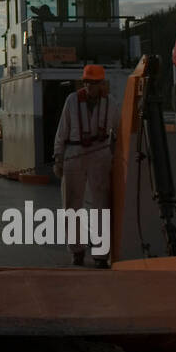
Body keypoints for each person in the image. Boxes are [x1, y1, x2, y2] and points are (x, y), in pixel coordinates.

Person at [52, 65, 120, 267]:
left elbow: (119, 132)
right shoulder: (72, 101)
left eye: (94, 82)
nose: (90, 86)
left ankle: (101, 254)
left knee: (102, 205)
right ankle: (77, 250)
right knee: (72, 205)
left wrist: (117, 156)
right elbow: (62, 131)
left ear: (101, 84)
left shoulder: (112, 103)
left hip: (100, 155)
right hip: (74, 154)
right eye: (87, 82)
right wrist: (58, 158)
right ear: (84, 83)